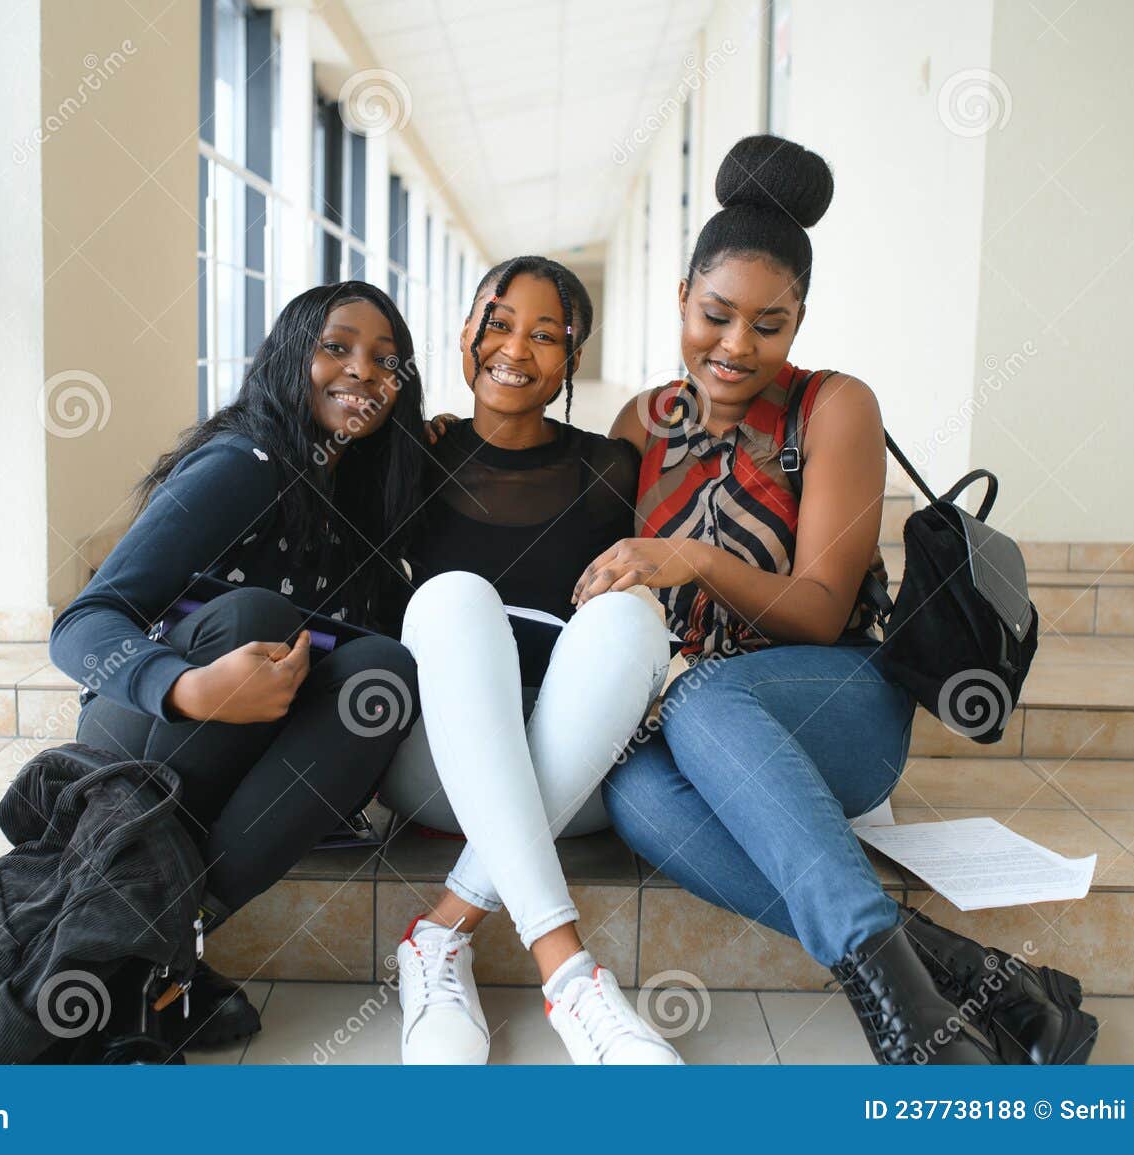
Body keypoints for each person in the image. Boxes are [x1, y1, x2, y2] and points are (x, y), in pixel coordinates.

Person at [594, 135, 1076, 1065]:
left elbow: (818, 608)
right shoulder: (637, 424)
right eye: (715, 315)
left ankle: (914, 1028)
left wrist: (690, 556)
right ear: (680, 299)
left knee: (705, 697)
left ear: (800, 318)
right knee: (636, 791)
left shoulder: (835, 405)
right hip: (698, 718)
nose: (737, 346)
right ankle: (951, 977)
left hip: (838, 702)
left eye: (768, 324)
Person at [49, 282, 426, 1052]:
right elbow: (81, 623)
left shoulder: (358, 493)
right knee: (257, 616)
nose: (364, 371)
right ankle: (124, 930)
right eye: (338, 347)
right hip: (151, 730)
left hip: (253, 750)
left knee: (382, 669)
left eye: (387, 363)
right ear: (291, 358)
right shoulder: (244, 464)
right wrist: (186, 686)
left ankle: (158, 935)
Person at [378, 256, 681, 1065]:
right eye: (500, 322)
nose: (517, 347)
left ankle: (439, 937)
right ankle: (572, 977)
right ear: (466, 331)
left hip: (568, 774)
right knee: (451, 598)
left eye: (547, 335)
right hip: (433, 766)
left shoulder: (606, 469)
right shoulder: (411, 457)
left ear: (571, 360)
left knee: (626, 616)